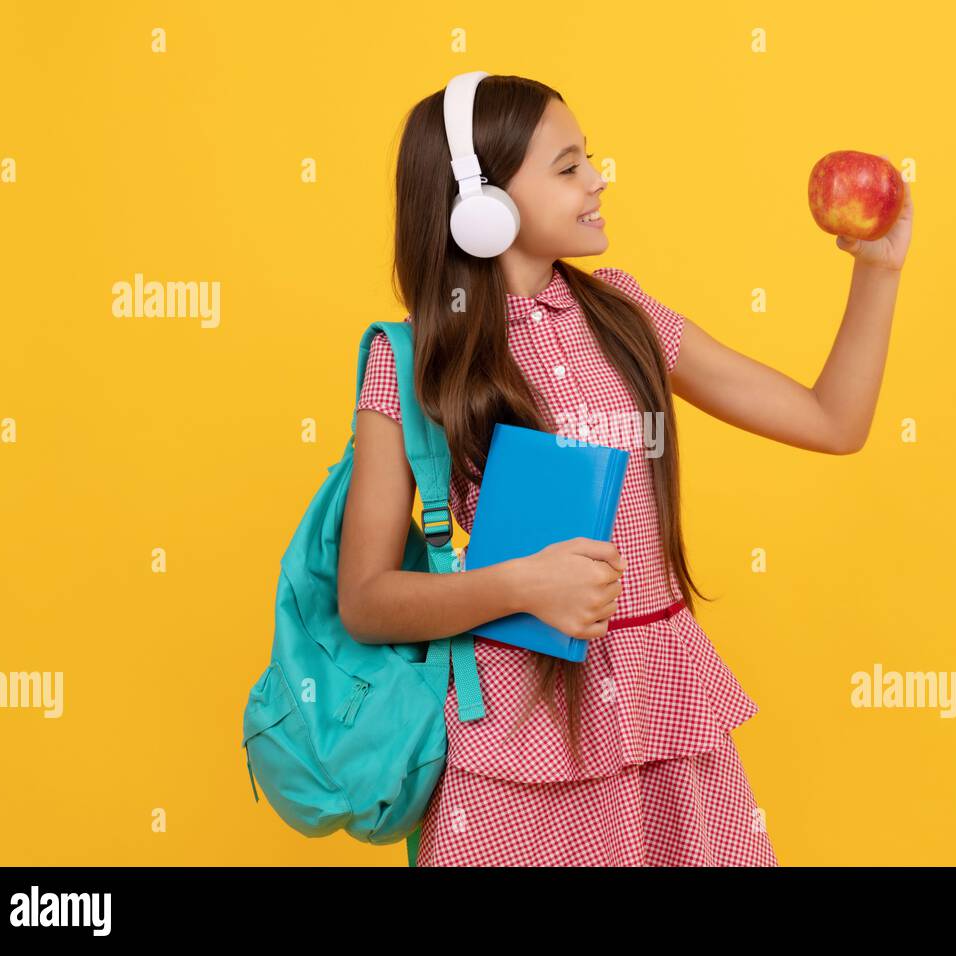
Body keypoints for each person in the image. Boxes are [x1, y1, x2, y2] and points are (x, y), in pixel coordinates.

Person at [337, 74, 913, 866]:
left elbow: (833, 422)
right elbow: (365, 600)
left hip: (665, 713)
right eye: (568, 166)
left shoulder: (628, 317)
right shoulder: (409, 362)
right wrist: (521, 585)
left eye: (590, 159)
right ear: (481, 202)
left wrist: (876, 271)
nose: (598, 179)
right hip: (517, 736)